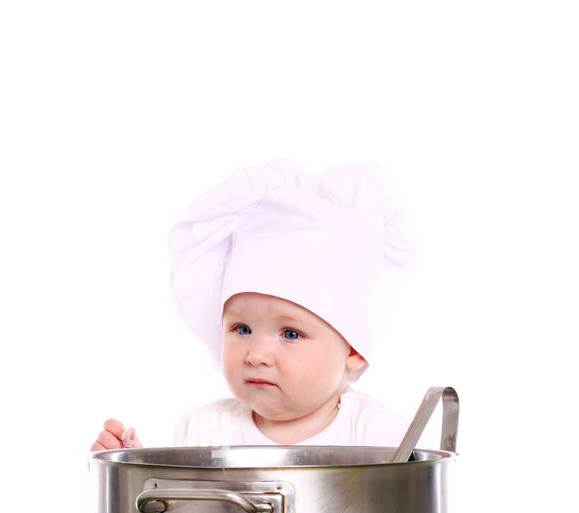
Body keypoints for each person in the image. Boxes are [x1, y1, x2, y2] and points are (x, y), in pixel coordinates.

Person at [90, 157, 414, 452]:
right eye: (241, 328)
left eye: (290, 333)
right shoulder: (204, 431)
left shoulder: (380, 437)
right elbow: (173, 510)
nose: (256, 355)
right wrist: (132, 468)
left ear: (354, 349)